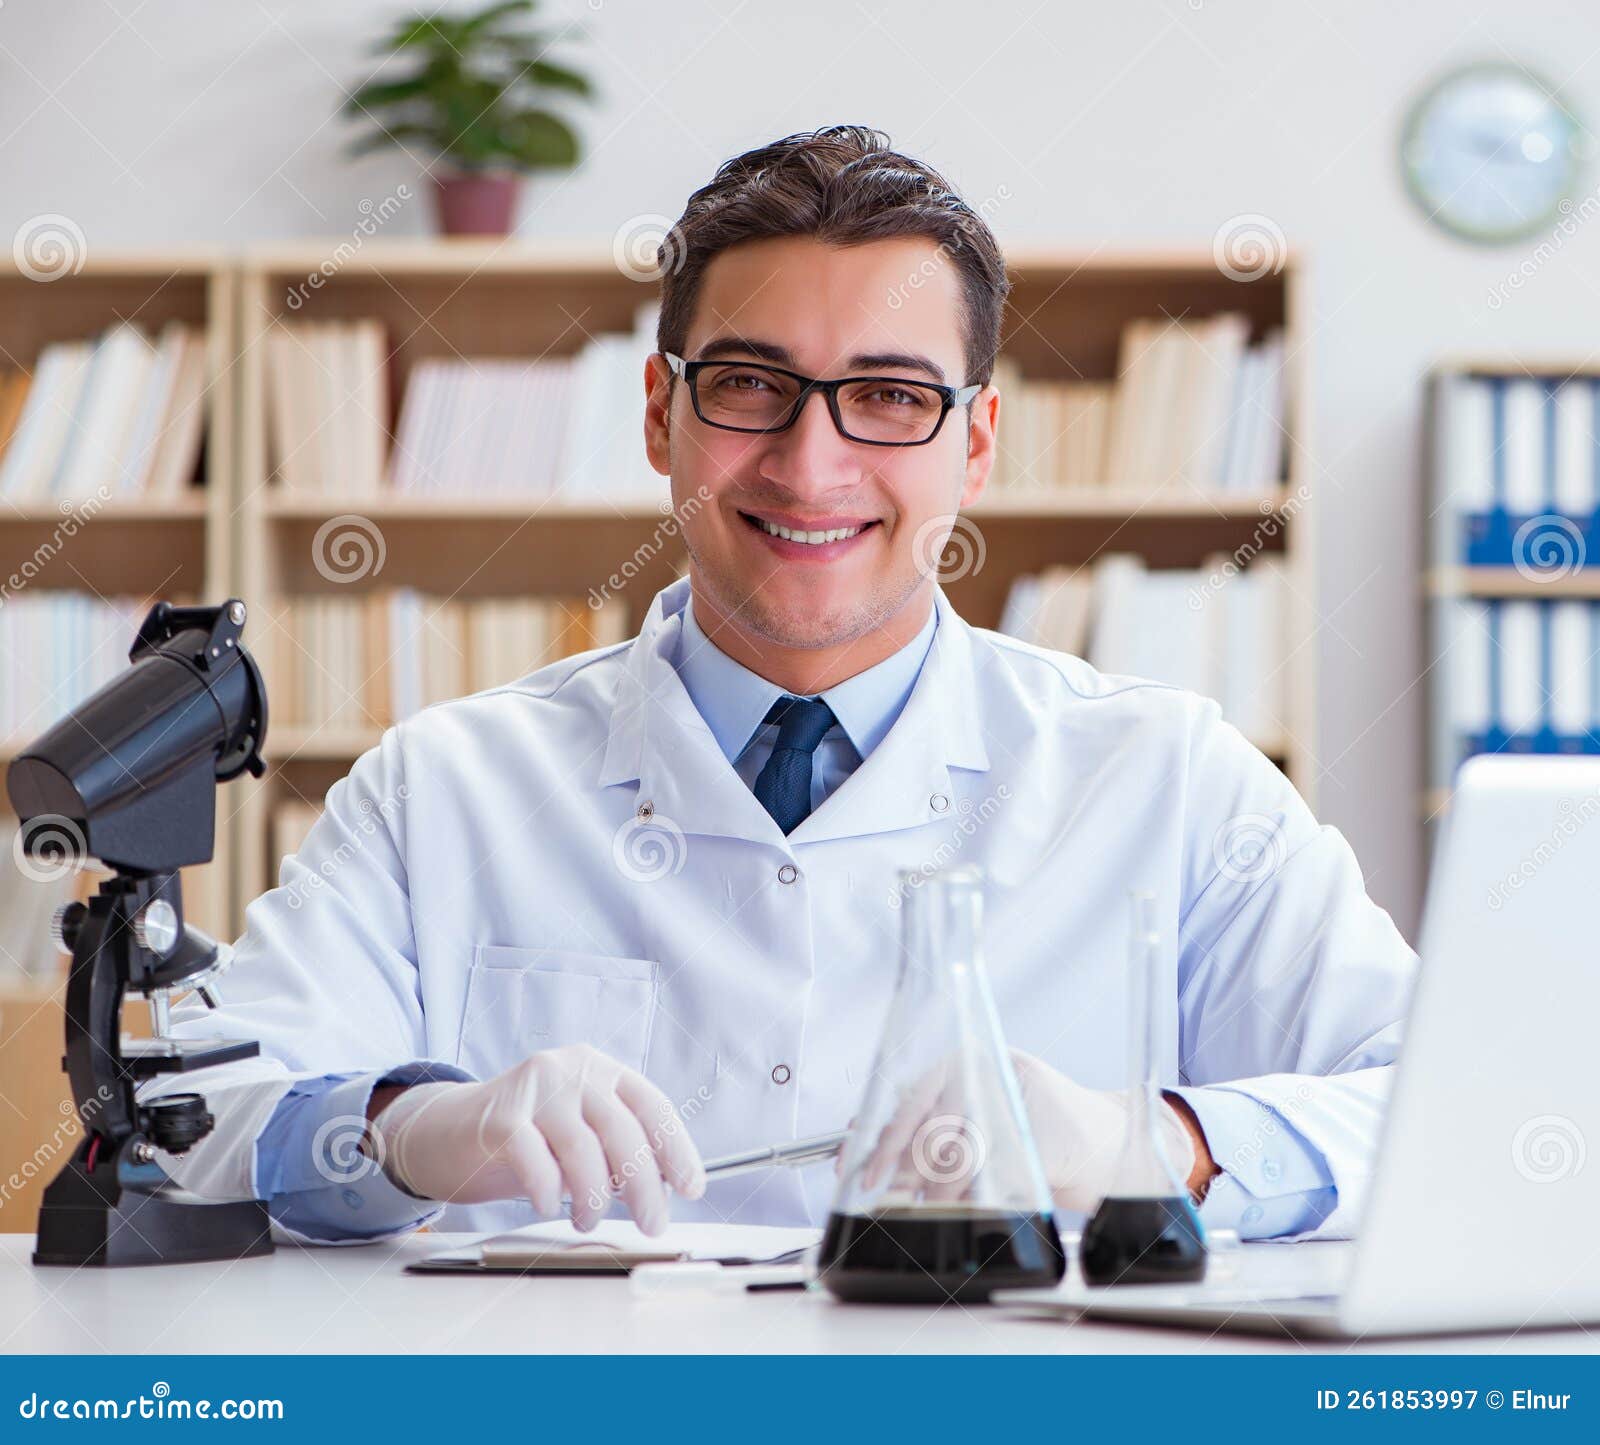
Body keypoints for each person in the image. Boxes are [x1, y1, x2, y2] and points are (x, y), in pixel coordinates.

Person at [151, 125, 1414, 1247]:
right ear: (660, 413)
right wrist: (413, 1124)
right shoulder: (447, 782)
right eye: (750, 385)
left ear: (974, 440)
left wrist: (1154, 1146)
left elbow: (1444, 1098)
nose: (812, 467)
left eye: (889, 396)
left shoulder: (1170, 778)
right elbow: (197, 1116)